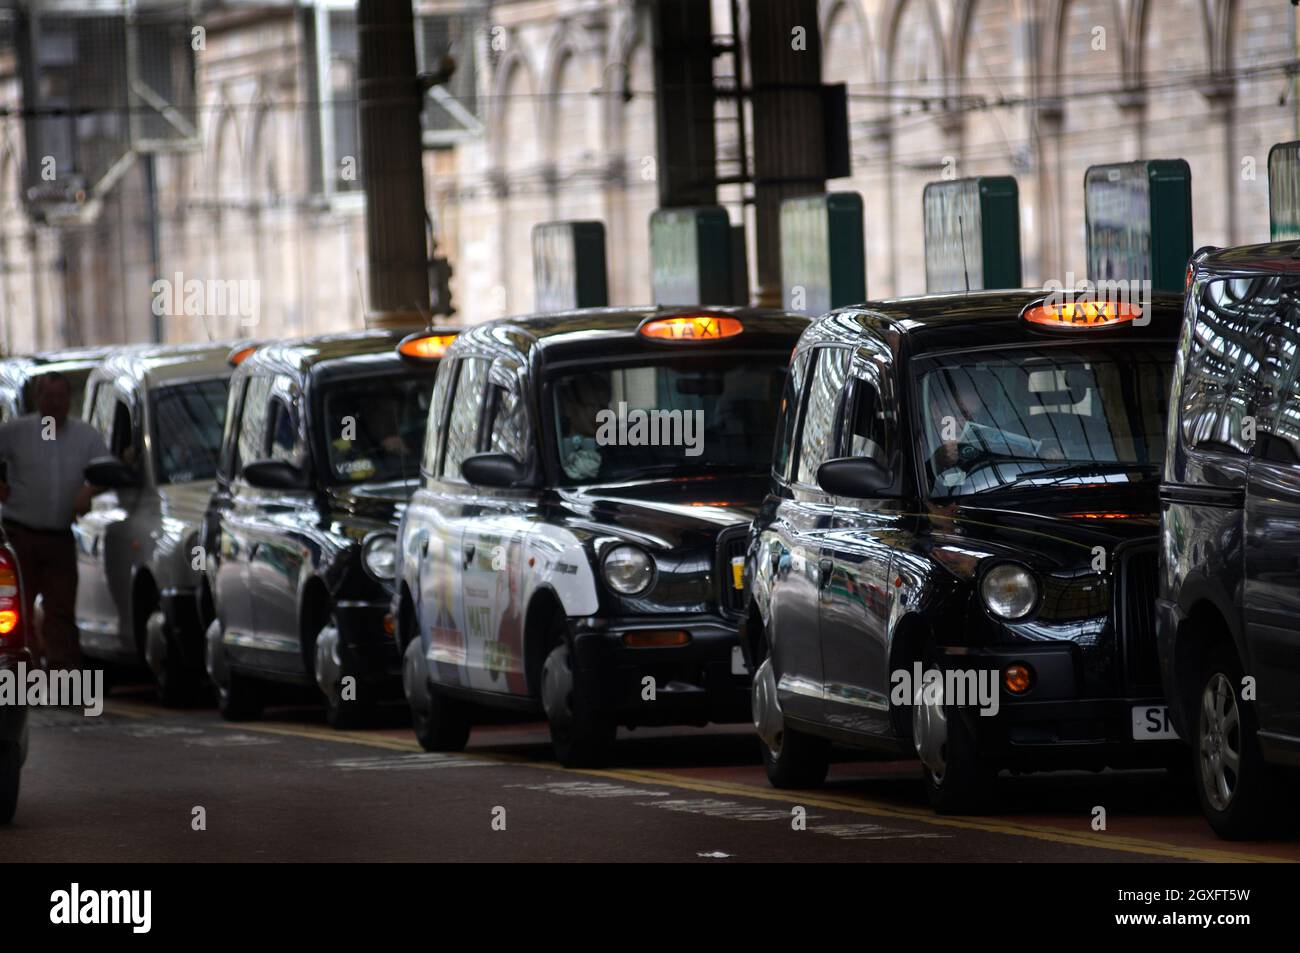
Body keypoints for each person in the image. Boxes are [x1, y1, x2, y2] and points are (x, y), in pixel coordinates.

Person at [0, 372, 107, 670]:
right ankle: (24, 671)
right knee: (19, 609)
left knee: (61, 610)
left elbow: (104, 468)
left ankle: (63, 673)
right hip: (20, 534)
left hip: (60, 536)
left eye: (61, 397)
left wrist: (89, 491)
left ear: (69, 400)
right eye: (49, 397)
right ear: (38, 399)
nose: (56, 404)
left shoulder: (86, 436)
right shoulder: (16, 432)